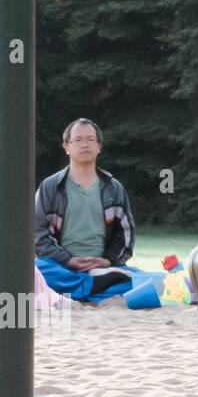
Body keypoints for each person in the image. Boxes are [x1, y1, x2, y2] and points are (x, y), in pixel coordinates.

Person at [34, 118, 137, 302]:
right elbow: (38, 235)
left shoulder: (113, 188)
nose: (84, 145)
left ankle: (86, 285)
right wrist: (68, 260)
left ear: (99, 146)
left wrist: (107, 261)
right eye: (78, 140)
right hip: (60, 267)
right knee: (37, 270)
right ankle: (94, 285)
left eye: (90, 139)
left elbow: (126, 235)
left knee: (139, 280)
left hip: (103, 268)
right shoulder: (50, 187)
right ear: (66, 147)